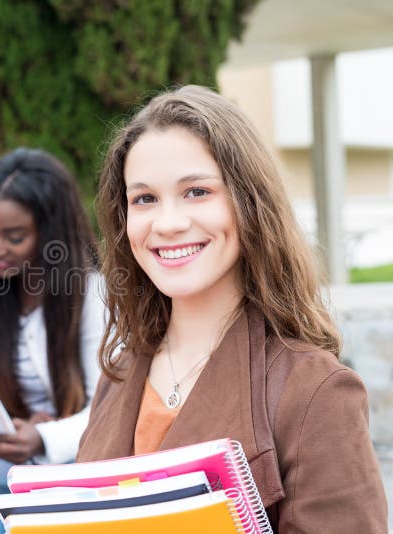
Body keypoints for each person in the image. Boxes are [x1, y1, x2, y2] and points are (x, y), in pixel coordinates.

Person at [77, 85, 388, 531]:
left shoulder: (314, 390)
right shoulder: (121, 371)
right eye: (145, 199)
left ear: (249, 203)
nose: (168, 223)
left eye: (197, 192)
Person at [0, 148, 106, 533]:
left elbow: (106, 412)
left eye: (14, 237)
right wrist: (9, 434)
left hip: (82, 471)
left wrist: (44, 438)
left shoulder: (94, 296)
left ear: (51, 236)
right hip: (5, 475)